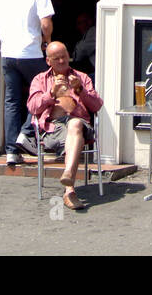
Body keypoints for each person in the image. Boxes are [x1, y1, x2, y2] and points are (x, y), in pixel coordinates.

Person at [26, 41, 104, 211]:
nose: (62, 61)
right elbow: (32, 107)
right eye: (57, 58)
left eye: (64, 57)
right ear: (48, 61)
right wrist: (51, 93)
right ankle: (69, 186)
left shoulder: (81, 77)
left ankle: (69, 186)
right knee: (72, 134)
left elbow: (97, 105)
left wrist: (80, 90)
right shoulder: (40, 80)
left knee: (75, 124)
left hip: (80, 126)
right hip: (52, 129)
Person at [0, 0, 54, 166]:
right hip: (31, 52)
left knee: (12, 100)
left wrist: (6, 40)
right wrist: (47, 42)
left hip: (8, 54)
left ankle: (11, 151)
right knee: (47, 91)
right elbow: (45, 24)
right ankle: (26, 133)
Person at [71, 11, 97, 75]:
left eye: (80, 23)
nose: (78, 27)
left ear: (89, 22)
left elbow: (81, 51)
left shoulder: (93, 31)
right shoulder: (87, 33)